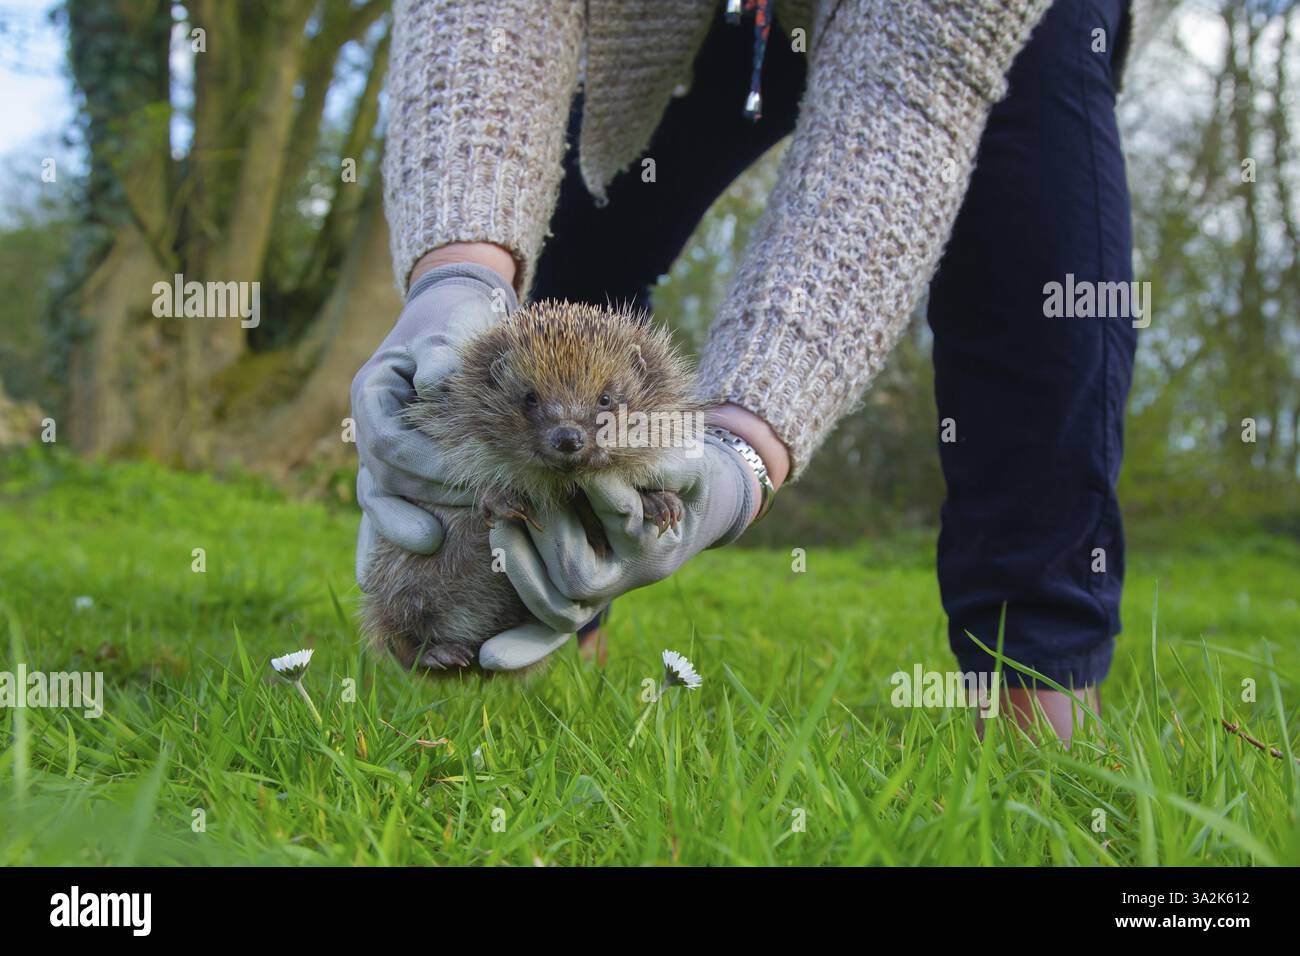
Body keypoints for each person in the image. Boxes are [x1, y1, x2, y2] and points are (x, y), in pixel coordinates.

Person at [352, 0, 1138, 741]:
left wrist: (745, 450)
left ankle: (1039, 675)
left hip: (967, 31)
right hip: (681, 22)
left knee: (1035, 260)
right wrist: (457, 273)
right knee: (576, 249)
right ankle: (561, 608)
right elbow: (485, 27)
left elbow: (899, 115)